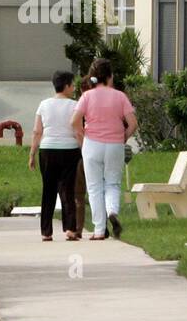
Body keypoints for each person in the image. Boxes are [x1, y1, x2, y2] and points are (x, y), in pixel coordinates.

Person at [72, 58, 137, 241]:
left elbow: (74, 121)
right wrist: (122, 137)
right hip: (115, 144)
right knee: (112, 184)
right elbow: (133, 124)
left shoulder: (87, 96)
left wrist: (83, 135)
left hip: (92, 144)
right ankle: (112, 211)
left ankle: (99, 230)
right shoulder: (120, 96)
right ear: (110, 76)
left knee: (94, 187)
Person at [28, 69, 81, 242]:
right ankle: (71, 229)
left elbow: (37, 131)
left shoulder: (44, 104)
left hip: (48, 149)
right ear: (66, 86)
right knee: (67, 189)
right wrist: (84, 149)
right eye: (72, 85)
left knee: (48, 190)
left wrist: (32, 154)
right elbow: (78, 130)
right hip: (70, 149)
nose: (73, 88)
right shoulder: (75, 105)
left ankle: (46, 231)